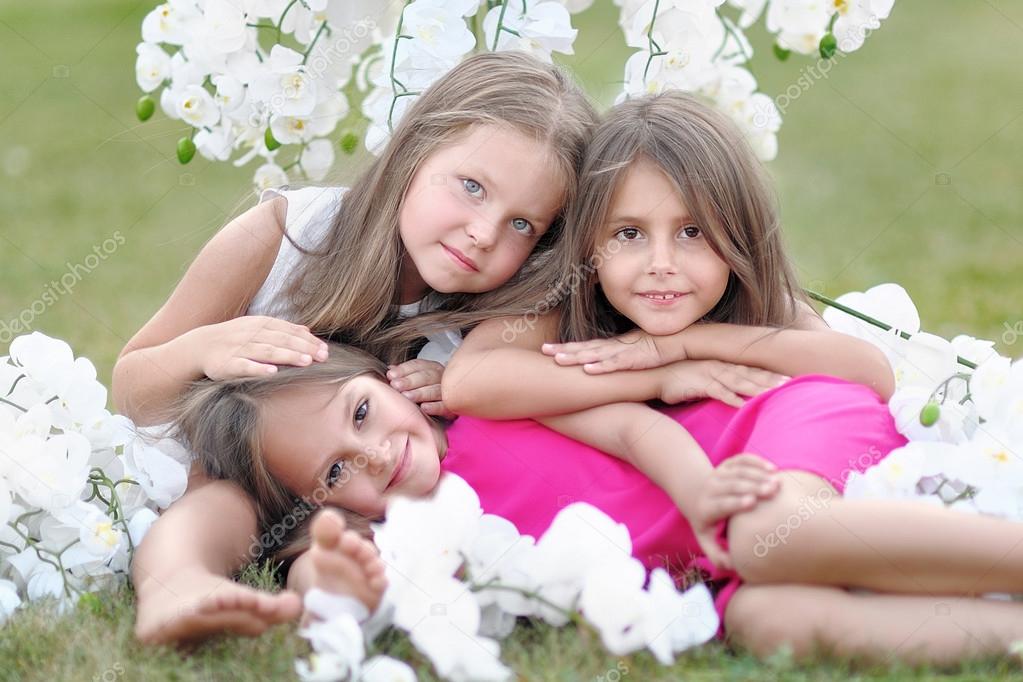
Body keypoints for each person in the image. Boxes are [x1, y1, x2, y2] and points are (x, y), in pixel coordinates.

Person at [117, 51, 598, 644]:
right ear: (415, 150)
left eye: (523, 224)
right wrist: (203, 348)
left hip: (364, 500)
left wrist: (458, 389)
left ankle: (330, 599)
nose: (483, 233)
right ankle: (178, 590)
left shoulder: (500, 313)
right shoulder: (289, 233)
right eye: (472, 187)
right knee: (218, 500)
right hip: (242, 463)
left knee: (347, 545)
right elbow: (132, 388)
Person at [179, 343, 1023, 666]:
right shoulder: (414, 538)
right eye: (335, 471)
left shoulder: (485, 407)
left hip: (762, 439)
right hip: (722, 569)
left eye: (362, 412)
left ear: (383, 377)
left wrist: (701, 495)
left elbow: (628, 426)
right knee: (764, 620)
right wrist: (322, 577)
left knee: (766, 535)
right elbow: (325, 585)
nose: (373, 453)